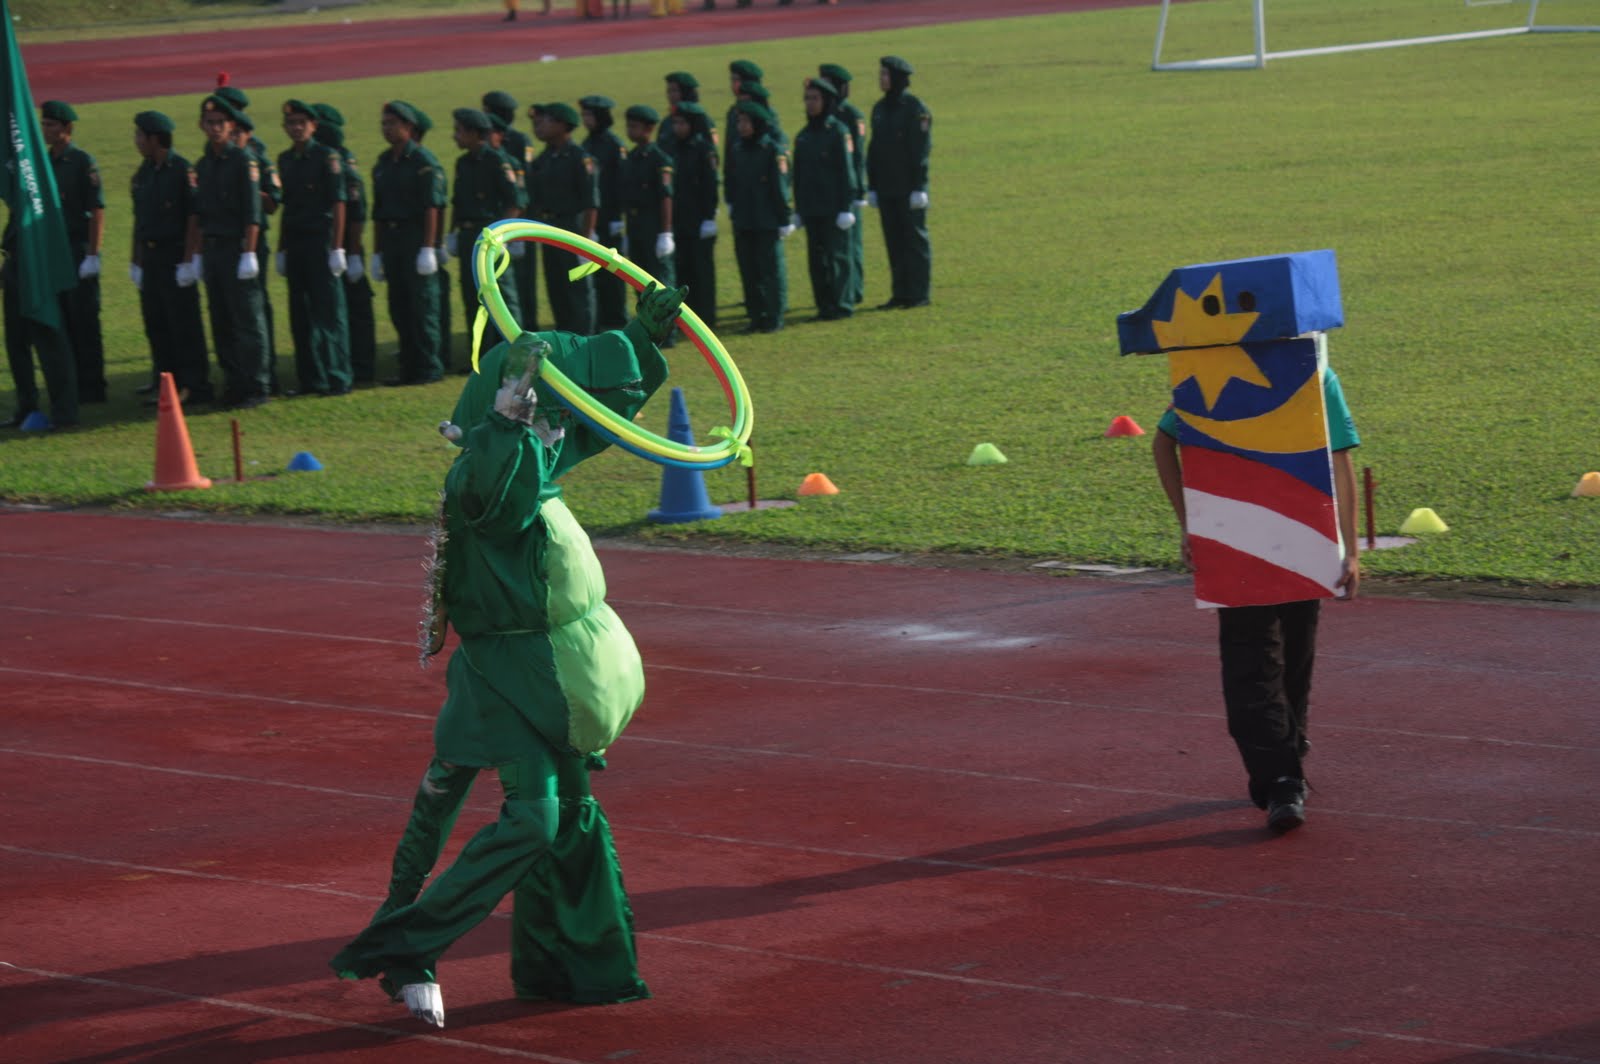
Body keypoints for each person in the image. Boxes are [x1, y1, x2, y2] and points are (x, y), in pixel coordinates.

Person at [329, 281, 688, 1028]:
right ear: (508, 401)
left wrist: (640, 342)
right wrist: (508, 418)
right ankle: (405, 948)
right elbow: (502, 494)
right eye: (538, 406)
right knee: (515, 819)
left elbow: (599, 420)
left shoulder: (536, 449)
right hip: (504, 679)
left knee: (558, 816)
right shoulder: (487, 470)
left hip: (549, 674)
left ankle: (570, 963)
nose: (556, 425)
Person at [1151, 350, 1361, 832]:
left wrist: (1350, 550)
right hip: (1250, 540)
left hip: (1294, 535)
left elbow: (1339, 456)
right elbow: (1165, 441)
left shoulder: (1306, 371)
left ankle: (1287, 748)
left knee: (1290, 652)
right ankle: (1282, 776)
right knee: (1255, 662)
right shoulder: (1218, 371)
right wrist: (1192, 525)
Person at [191, 94, 270, 409]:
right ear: (201, 125)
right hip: (213, 250)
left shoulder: (243, 161)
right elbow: (200, 213)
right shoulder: (204, 164)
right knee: (221, 320)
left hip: (237, 249)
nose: (214, 129)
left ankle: (257, 384)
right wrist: (197, 254)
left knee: (247, 320)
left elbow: (252, 212)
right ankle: (234, 383)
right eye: (209, 123)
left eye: (220, 123)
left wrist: (249, 252)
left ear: (231, 125)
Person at [130, 110, 211, 405]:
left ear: (155, 139)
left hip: (174, 256)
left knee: (183, 324)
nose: (136, 141)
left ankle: (194, 384)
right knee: (156, 321)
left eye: (140, 136)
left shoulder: (181, 171)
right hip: (151, 257)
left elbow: (193, 217)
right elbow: (139, 220)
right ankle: (164, 381)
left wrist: (189, 259)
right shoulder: (144, 172)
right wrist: (135, 261)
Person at [276, 100, 351, 396]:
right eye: (291, 123)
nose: (296, 128)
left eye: (301, 123)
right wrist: (281, 248)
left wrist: (337, 247)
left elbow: (339, 202)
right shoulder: (285, 160)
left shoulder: (327, 157)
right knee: (301, 314)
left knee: (328, 313)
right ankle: (311, 378)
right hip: (296, 242)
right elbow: (287, 206)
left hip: (321, 241)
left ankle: (337, 376)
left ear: (313, 126)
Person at [371, 100, 446, 385]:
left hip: (415, 238)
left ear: (408, 127)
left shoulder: (423, 162)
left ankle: (428, 367)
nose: (386, 129)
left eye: (392, 124)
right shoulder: (383, 162)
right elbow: (378, 210)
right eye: (384, 124)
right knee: (398, 306)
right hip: (392, 240)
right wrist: (377, 252)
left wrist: (429, 247)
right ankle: (408, 367)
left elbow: (432, 208)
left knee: (422, 306)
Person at [40, 101, 107, 405]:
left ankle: (93, 386)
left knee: (85, 320)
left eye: (52, 125)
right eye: (44, 124)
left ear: (67, 129)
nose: (46, 130)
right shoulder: (44, 163)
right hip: (57, 250)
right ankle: (73, 383)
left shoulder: (82, 162)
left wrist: (93, 254)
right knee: (64, 319)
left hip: (79, 248)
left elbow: (96, 210)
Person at [447, 107, 522, 364]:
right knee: (473, 297)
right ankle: (481, 354)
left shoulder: (496, 160)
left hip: (490, 237)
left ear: (473, 133)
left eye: (458, 131)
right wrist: (452, 233)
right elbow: (457, 201)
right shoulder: (462, 163)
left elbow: (515, 200)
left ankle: (515, 351)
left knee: (501, 296)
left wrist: (503, 234)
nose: (454, 136)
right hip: (469, 235)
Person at [313, 104, 379, 386]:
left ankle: (363, 366)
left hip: (345, 247)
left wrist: (351, 252)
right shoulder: (321, 158)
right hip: (331, 246)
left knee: (355, 306)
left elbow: (356, 211)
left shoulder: (342, 161)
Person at [866, 55, 932, 309]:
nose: (880, 79)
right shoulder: (879, 109)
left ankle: (919, 293)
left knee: (914, 241)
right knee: (894, 242)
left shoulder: (915, 109)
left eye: (885, 74)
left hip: (908, 188)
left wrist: (920, 187)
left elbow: (920, 151)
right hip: (886, 187)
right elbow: (874, 150)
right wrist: (871, 185)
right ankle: (901, 292)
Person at [526, 102, 598, 335]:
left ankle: (584, 339)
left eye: (546, 121)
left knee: (578, 290)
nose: (540, 126)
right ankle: (565, 338)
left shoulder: (579, 158)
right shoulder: (544, 159)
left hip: (573, 228)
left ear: (562, 125)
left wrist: (585, 244)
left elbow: (591, 203)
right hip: (550, 229)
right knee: (556, 287)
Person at [791, 77, 857, 320]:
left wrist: (846, 206)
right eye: (807, 98)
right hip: (812, 208)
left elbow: (846, 171)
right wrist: (798, 209)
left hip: (833, 208)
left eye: (815, 98)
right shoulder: (803, 136)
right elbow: (797, 176)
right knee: (817, 260)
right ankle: (824, 305)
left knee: (837, 257)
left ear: (826, 101)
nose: (810, 103)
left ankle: (842, 304)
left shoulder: (838, 132)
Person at [726, 100, 790, 333]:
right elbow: (733, 182)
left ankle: (774, 316)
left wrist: (784, 219)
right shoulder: (738, 149)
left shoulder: (772, 150)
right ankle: (756, 315)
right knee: (749, 270)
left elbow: (780, 188)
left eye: (744, 121)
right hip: (744, 219)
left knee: (771, 270)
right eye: (739, 121)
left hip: (767, 220)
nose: (740, 126)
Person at [484, 91, 539, 331]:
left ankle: (529, 325)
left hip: (520, 219)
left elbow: (524, 182)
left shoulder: (519, 141)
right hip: (503, 215)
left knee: (524, 278)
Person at [618, 105, 675, 338]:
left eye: (635, 126)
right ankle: (648, 328)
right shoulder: (632, 157)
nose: (630, 131)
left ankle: (667, 332)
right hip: (636, 225)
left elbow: (665, 197)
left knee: (659, 280)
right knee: (640, 281)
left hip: (654, 226)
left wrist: (665, 233)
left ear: (649, 129)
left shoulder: (659, 159)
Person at [579, 95, 628, 331]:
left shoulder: (613, 145)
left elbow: (622, 183)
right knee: (594, 270)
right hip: (593, 218)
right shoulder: (586, 145)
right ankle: (598, 318)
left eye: (589, 115)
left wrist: (619, 217)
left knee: (613, 272)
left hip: (610, 217)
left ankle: (616, 317)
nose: (585, 120)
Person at [820, 63, 867, 305]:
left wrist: (858, 190)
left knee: (852, 245)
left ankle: (854, 289)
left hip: (851, 189)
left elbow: (857, 157)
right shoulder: (827, 115)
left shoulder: (851, 115)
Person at [668, 102, 719, 328]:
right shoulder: (672, 148)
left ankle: (706, 317)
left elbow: (710, 185)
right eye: (675, 122)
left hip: (699, 219)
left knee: (702, 271)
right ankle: (686, 318)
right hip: (680, 219)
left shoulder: (704, 150)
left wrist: (709, 216)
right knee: (683, 269)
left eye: (682, 123)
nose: (677, 127)